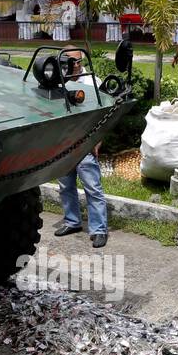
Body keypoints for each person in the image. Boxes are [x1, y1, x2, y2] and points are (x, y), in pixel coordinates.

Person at [56, 48, 109, 248]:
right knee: (65, 186)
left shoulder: (93, 82)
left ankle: (99, 229)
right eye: (69, 61)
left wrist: (98, 139)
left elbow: (106, 113)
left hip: (85, 141)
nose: (74, 65)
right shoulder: (57, 81)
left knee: (92, 187)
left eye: (77, 61)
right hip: (63, 143)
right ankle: (72, 221)